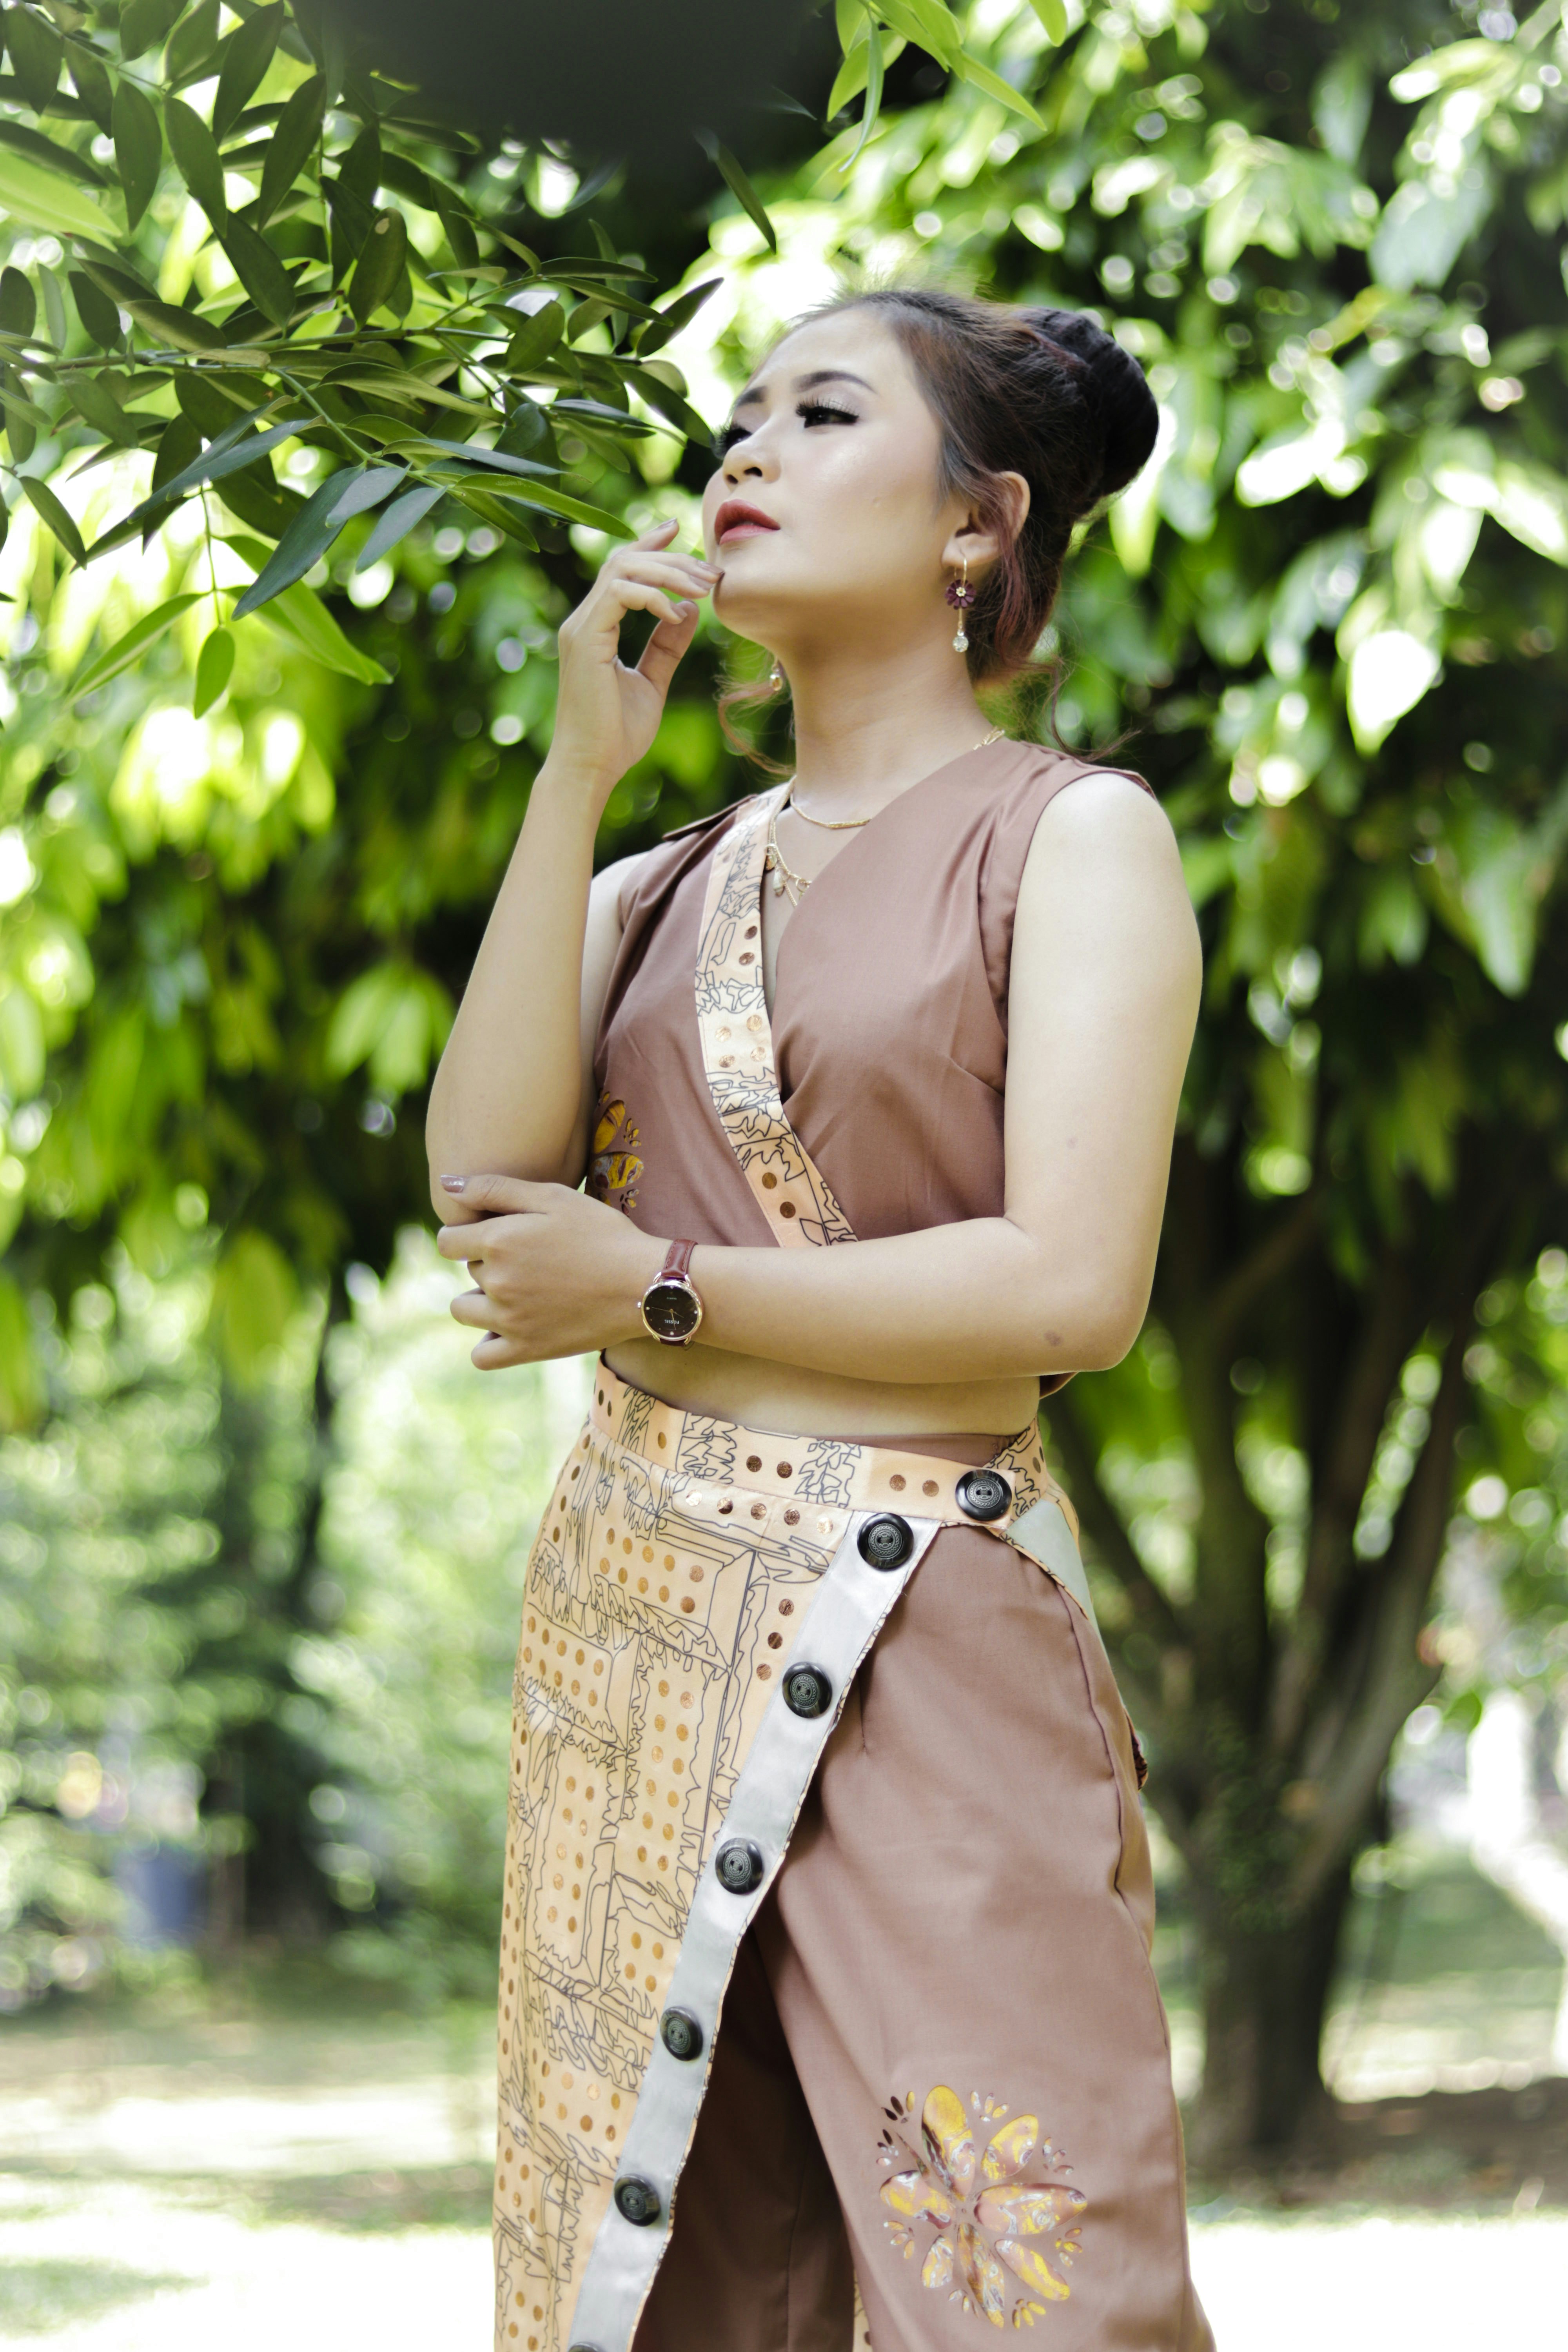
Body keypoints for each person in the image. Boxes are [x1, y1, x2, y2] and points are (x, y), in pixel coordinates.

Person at [426, 286, 1209, 2352]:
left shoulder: (1074, 840)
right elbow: (481, 1188)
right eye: (738, 421)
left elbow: (1067, 1288)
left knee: (1027, 2289)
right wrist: (579, 772)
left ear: (981, 522)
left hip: (919, 1626)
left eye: (822, 414)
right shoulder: (655, 884)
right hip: (640, 1633)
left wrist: (662, 1284)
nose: (742, 454)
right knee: (683, 2287)